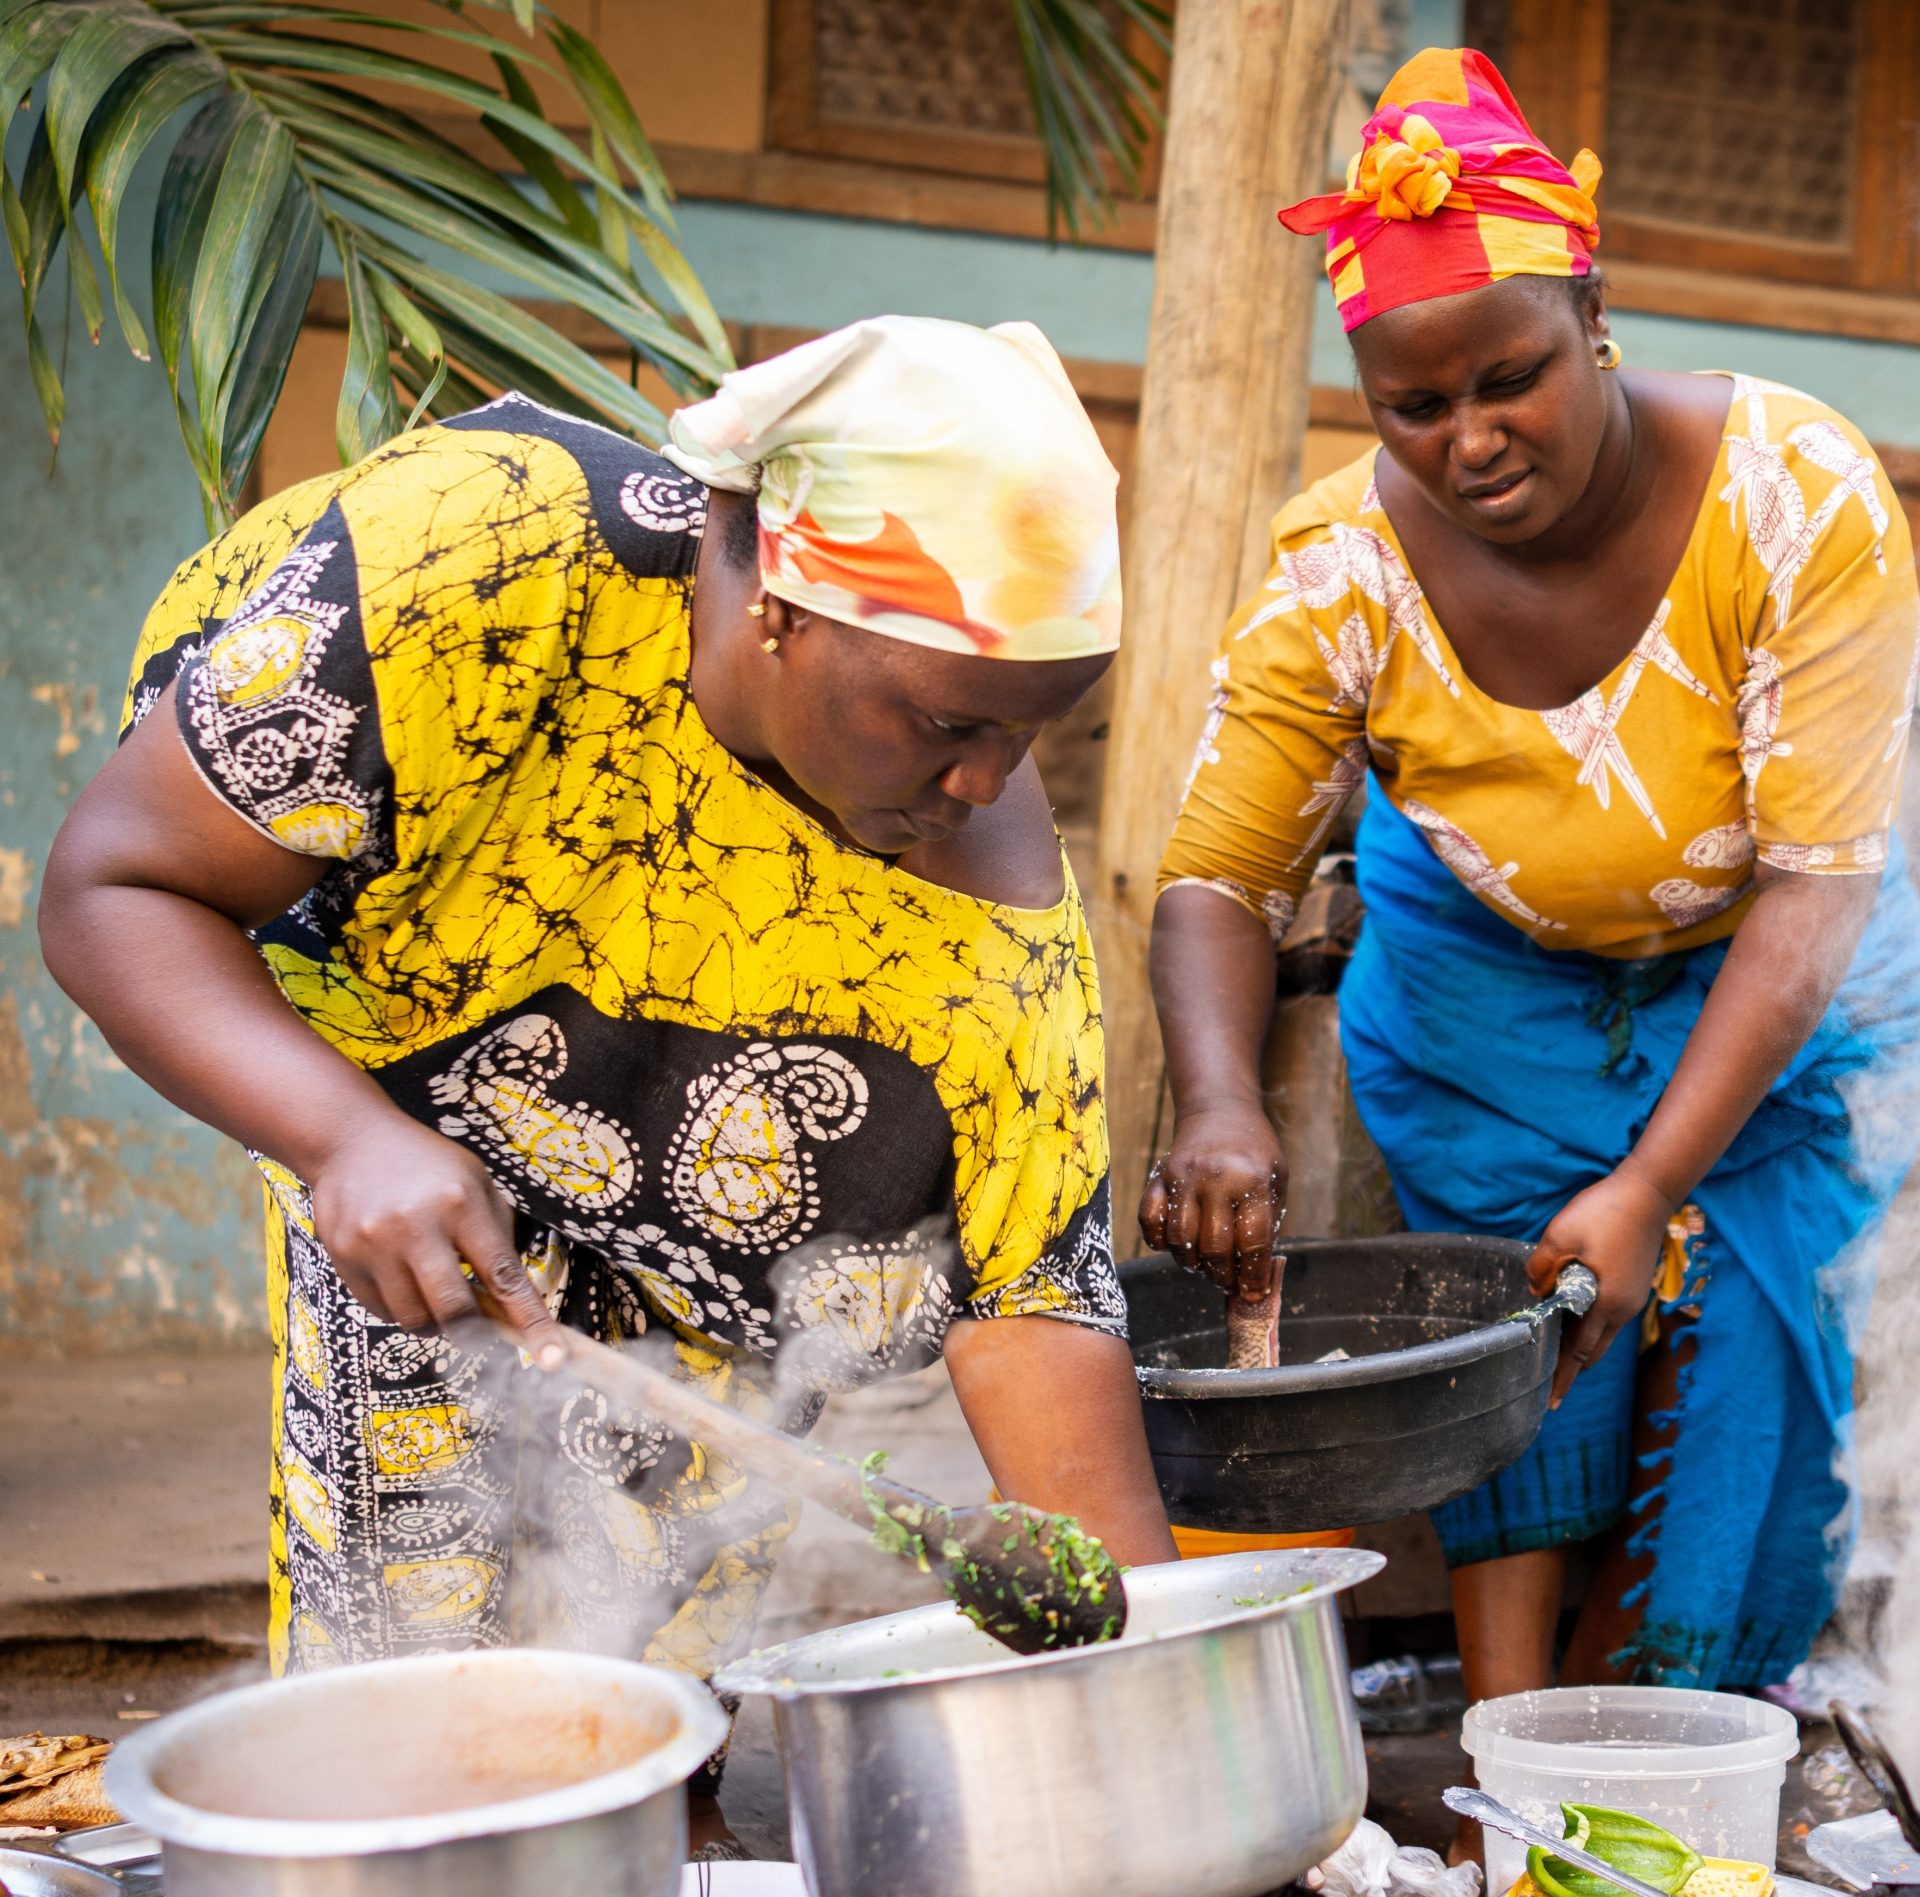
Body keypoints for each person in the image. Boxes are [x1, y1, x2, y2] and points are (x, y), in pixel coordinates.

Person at [40, 314, 1177, 1856]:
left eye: (1036, 731)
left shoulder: (1001, 940)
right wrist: (343, 1133)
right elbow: (116, 886)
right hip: (388, 1032)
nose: (986, 783)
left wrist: (1174, 1728)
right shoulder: (482, 564)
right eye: (950, 722)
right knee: (425, 1636)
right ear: (780, 597)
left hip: (702, 1168)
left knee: (667, 1607)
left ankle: (654, 1814)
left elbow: (1036, 1304)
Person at [1143, 42, 1920, 1820]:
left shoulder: (1794, 498)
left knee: (1757, 1313)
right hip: (1483, 979)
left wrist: (1653, 1184)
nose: (1469, 440)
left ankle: (1653, 1739)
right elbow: (1218, 872)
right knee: (1508, 1315)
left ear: (1594, 313)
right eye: (1413, 405)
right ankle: (1514, 1776)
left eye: (1512, 378)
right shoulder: (1338, 566)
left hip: (1773, 967)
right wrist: (1215, 1103)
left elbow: (1814, 890)